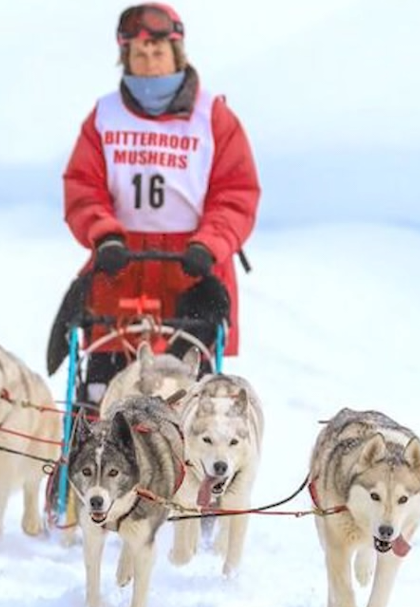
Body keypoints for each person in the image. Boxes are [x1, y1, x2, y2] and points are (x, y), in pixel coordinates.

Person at [46, 2, 262, 406]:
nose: (149, 65)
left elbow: (236, 193)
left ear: (177, 54)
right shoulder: (105, 117)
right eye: (139, 55)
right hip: (119, 266)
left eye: (158, 53)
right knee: (104, 394)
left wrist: (209, 245)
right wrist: (103, 233)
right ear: (124, 58)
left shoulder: (213, 119)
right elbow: (83, 186)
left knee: (186, 396)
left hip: (191, 273)